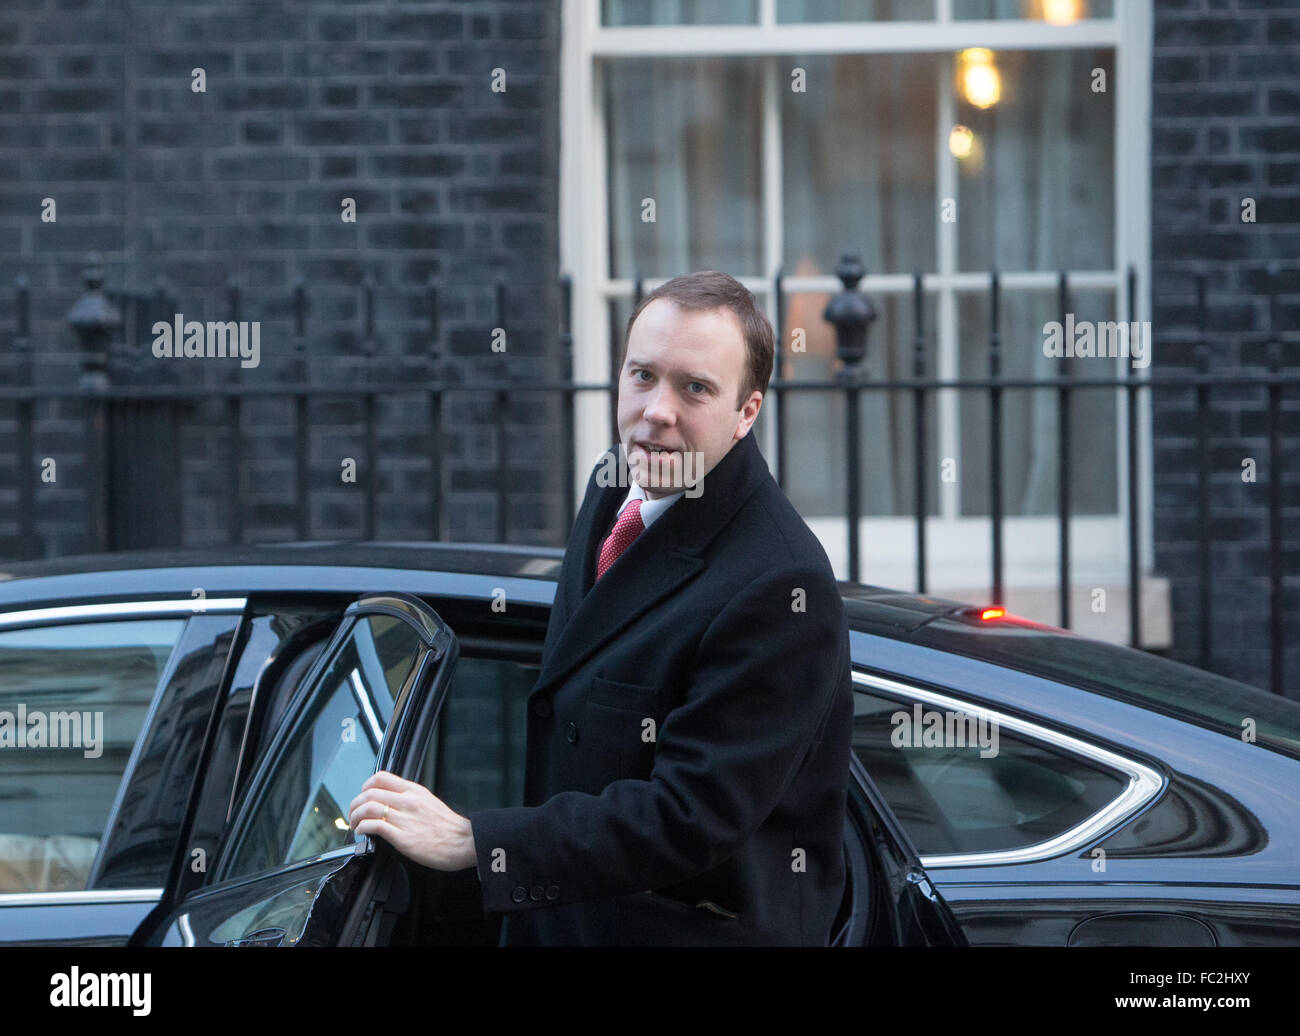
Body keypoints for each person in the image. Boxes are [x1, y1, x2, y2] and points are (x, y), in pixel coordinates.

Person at [349, 270, 854, 946]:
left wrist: (479, 841)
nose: (657, 411)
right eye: (642, 376)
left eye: (694, 387)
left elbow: (686, 816)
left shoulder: (779, 582)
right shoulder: (616, 483)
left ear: (748, 412)